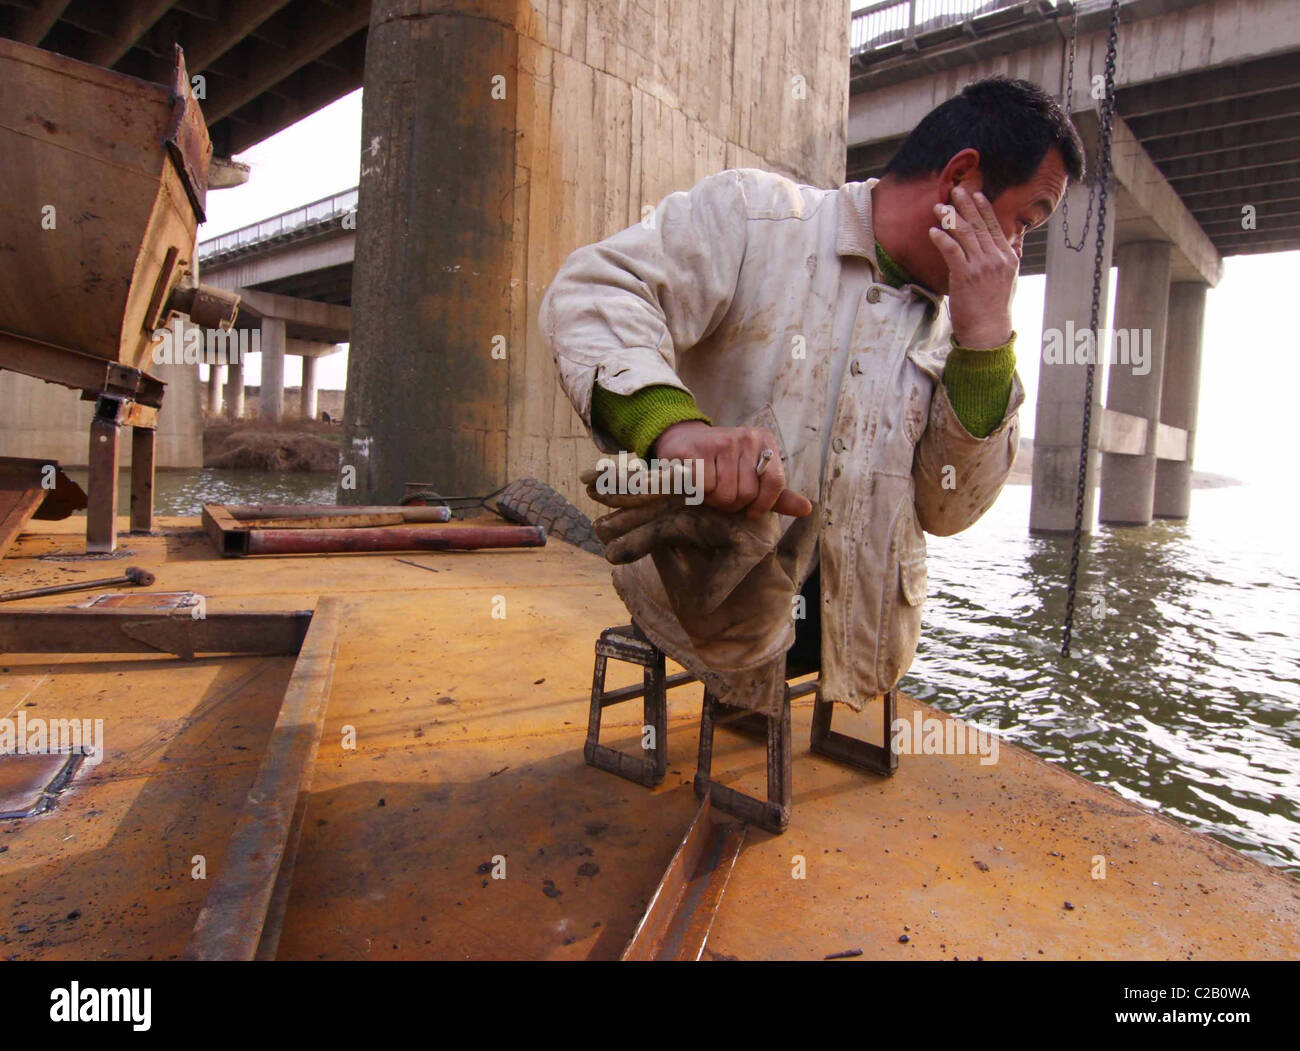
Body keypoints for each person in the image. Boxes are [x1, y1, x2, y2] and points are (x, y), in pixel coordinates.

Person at [540, 77, 1084, 719]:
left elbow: (947, 509)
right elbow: (595, 292)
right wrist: (677, 433)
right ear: (961, 180)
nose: (1016, 253)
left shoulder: (961, 337)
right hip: (708, 608)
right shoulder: (754, 217)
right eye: (1024, 223)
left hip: (864, 637)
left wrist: (987, 344)